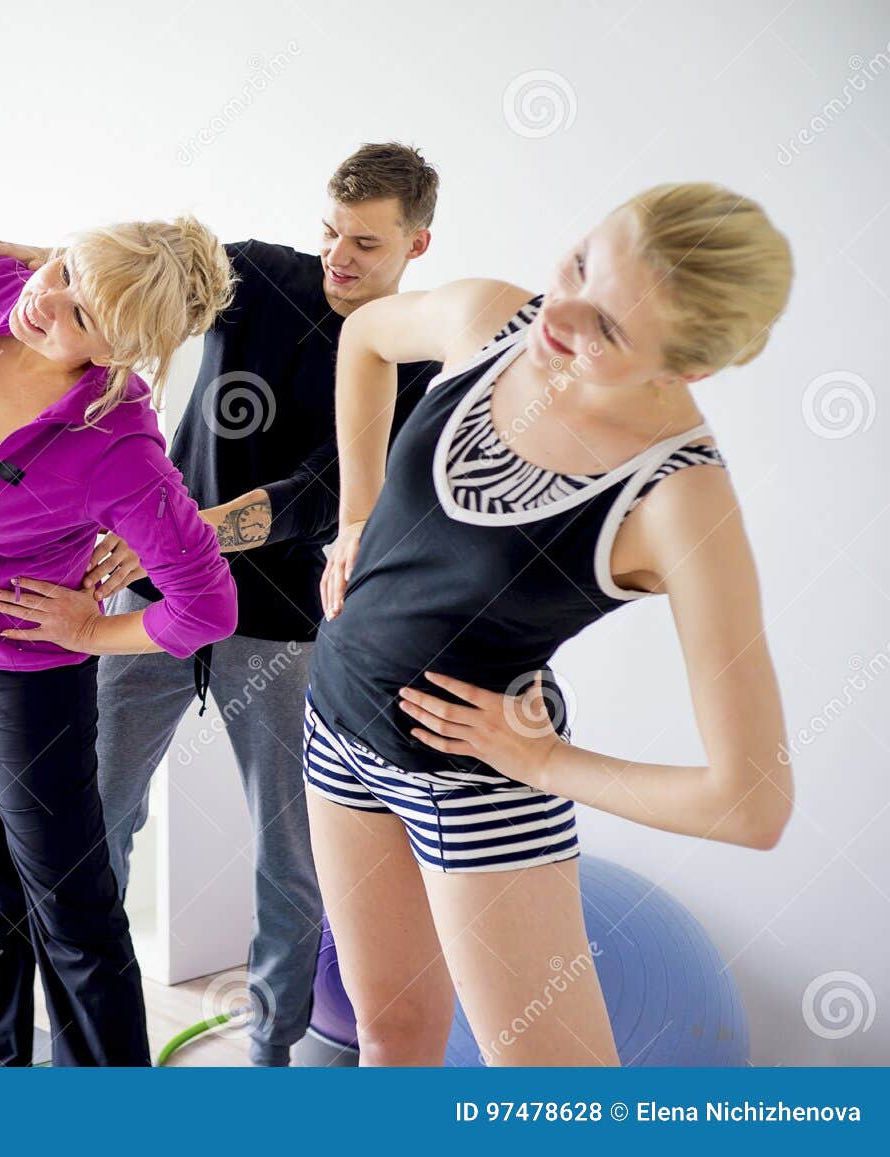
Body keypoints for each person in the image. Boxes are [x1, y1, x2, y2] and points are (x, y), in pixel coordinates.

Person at [0, 142, 441, 1064]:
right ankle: (86, 1043)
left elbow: (315, 500)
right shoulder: (255, 274)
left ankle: (270, 1052)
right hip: (151, 602)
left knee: (289, 856)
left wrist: (169, 531)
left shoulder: (410, 360)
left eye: (366, 245)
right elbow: (143, 274)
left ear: (419, 243)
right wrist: (31, 253)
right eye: (331, 232)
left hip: (287, 629)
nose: (339, 257)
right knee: (94, 815)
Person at [310, 182, 795, 1066]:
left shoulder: (679, 500)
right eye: (578, 263)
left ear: (686, 369)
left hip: (474, 788)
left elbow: (752, 804)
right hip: (333, 723)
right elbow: (364, 338)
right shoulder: (491, 319)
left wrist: (543, 762)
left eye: (607, 325)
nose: (560, 312)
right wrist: (354, 518)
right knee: (388, 1036)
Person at [0, 218, 239, 1066]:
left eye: (84, 314)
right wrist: (42, 255)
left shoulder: (116, 443)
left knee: (68, 906)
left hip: (20, 674)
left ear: (123, 351)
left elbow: (204, 605)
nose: (51, 305)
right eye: (66, 272)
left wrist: (91, 626)